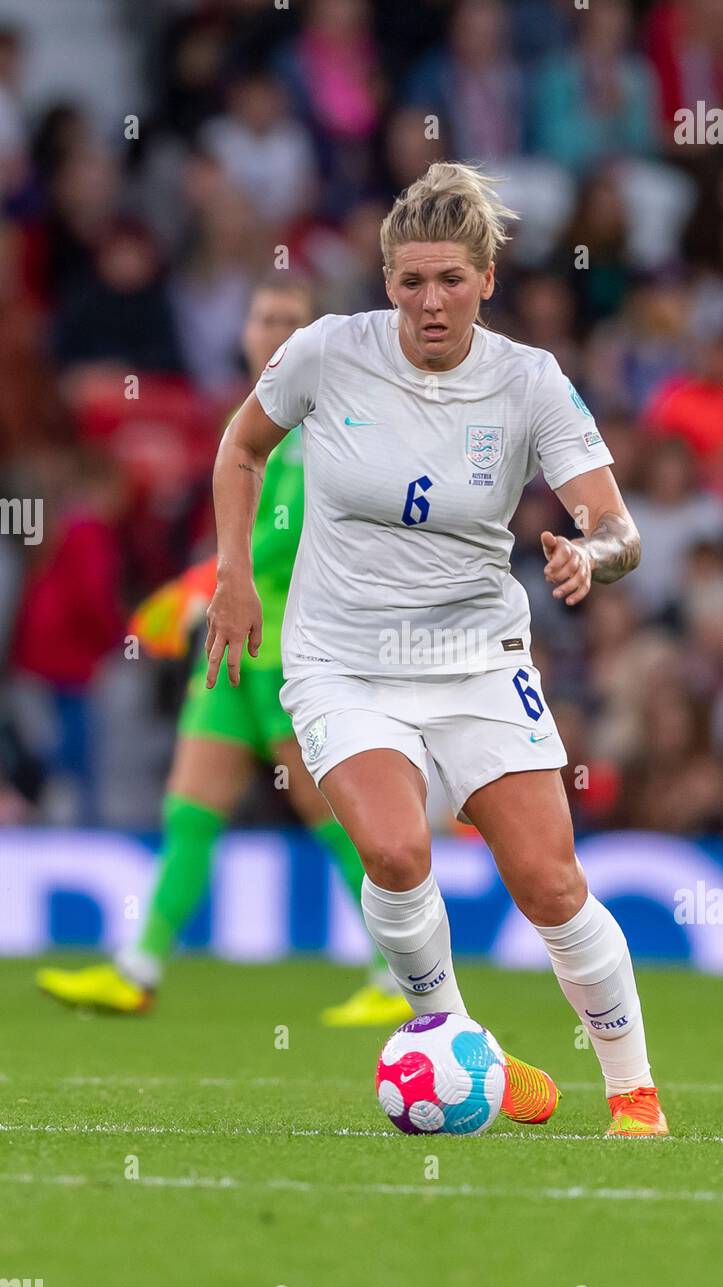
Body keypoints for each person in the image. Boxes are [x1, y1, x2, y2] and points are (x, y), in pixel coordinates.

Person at [204, 163, 669, 1136]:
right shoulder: (325, 353)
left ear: (487, 279)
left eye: (449, 280)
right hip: (343, 660)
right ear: (384, 282)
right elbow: (239, 448)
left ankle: (633, 1093)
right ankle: (457, 1037)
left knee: (548, 882)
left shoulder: (527, 379)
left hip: (475, 660)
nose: (428, 302)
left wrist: (592, 555)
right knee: (394, 846)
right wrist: (233, 574)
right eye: (410, 281)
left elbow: (619, 530)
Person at [37, 276, 412, 1028]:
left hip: (285, 644)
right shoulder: (247, 420)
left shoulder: (320, 422)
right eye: (262, 316)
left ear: (311, 337)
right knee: (190, 807)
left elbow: (288, 534)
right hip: (231, 646)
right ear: (242, 333)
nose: (272, 331)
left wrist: (193, 589)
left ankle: (400, 971)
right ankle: (137, 970)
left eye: (289, 320)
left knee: (328, 810)